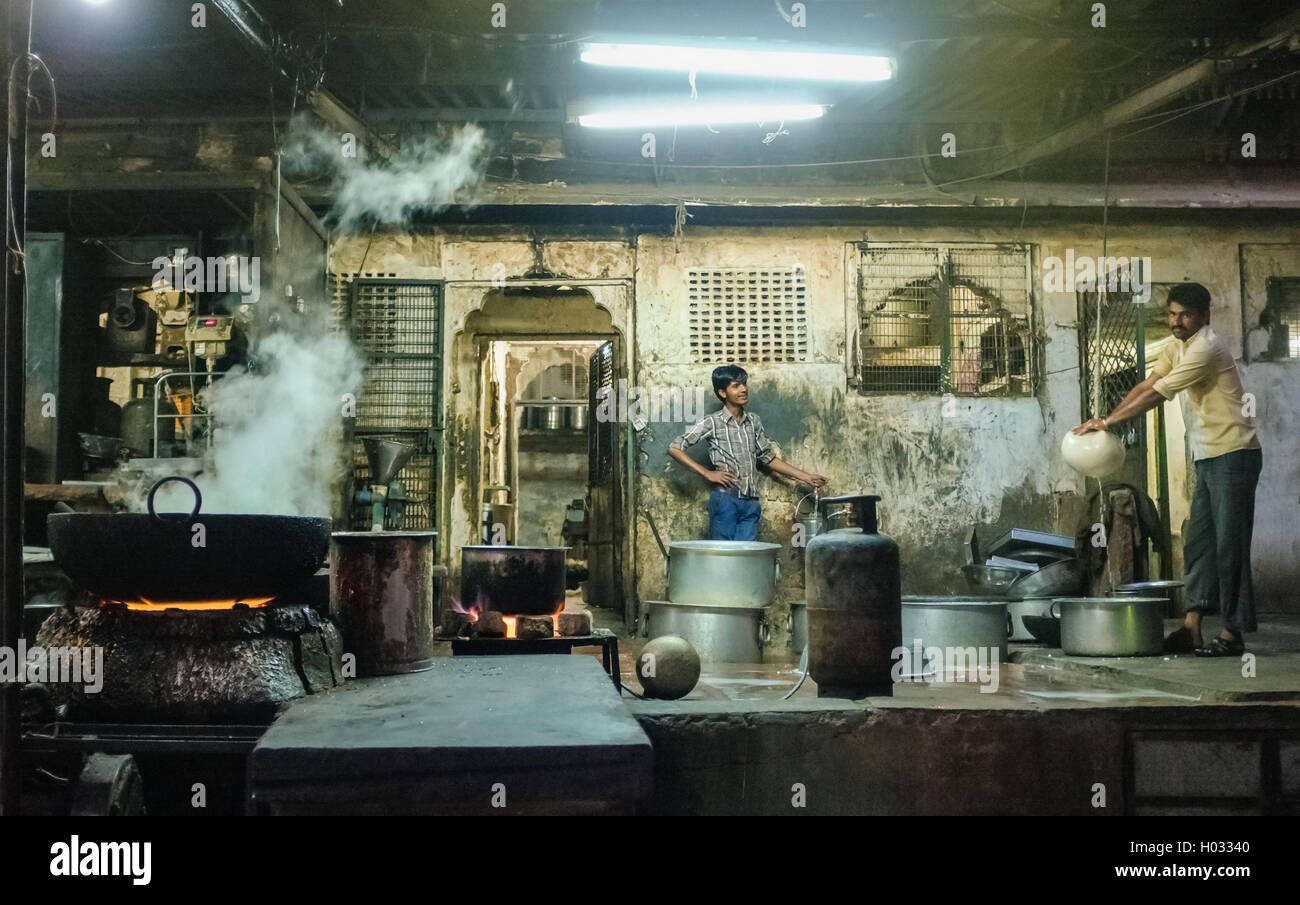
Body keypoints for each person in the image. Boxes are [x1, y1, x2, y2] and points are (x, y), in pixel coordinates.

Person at [1072, 283, 1262, 656]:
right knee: (1200, 544)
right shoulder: (1176, 346)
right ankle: (1192, 627)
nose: (1176, 321)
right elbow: (1147, 384)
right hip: (1208, 456)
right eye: (1172, 314)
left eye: (1185, 315)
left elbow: (1159, 396)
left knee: (1229, 546)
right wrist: (1104, 418)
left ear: (1203, 316)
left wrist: (1110, 424)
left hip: (1235, 455)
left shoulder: (1206, 347)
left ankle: (1232, 633)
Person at [668, 365, 828, 541]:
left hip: (751, 503)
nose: (744, 389)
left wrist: (805, 477)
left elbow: (768, 458)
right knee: (723, 556)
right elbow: (675, 448)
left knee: (747, 557)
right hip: (725, 501)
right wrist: (707, 473)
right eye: (736, 386)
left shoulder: (753, 421)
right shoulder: (712, 422)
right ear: (722, 393)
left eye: (744, 384)